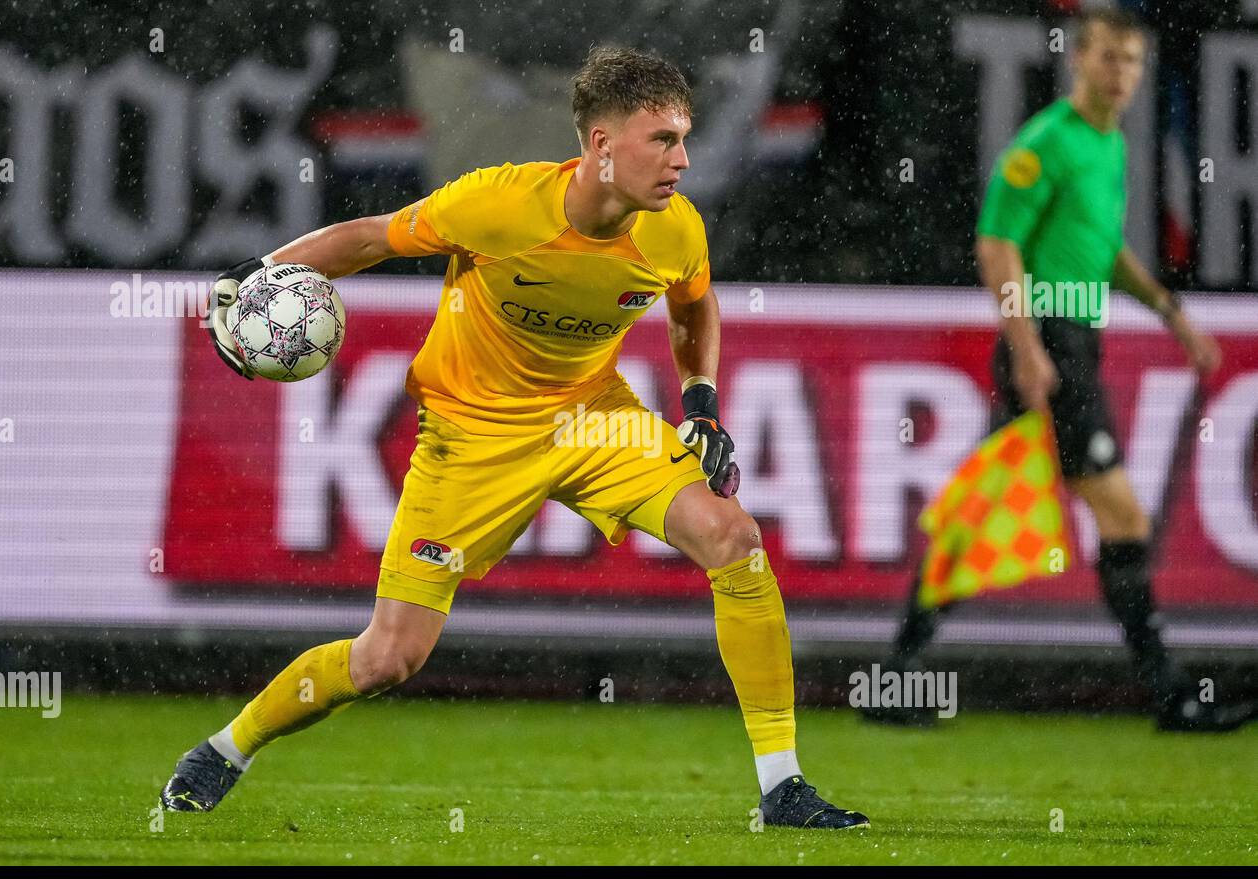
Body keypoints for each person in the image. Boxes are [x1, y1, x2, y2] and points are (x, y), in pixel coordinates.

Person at [161, 46, 870, 828]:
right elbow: (367, 237)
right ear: (601, 144)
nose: (682, 159)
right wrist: (253, 277)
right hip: (471, 438)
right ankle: (226, 748)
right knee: (387, 659)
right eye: (661, 140)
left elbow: (694, 308)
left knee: (732, 537)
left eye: (683, 137)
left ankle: (782, 786)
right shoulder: (498, 205)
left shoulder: (675, 231)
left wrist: (699, 403)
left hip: (593, 418)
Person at [864, 9, 1255, 732]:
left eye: (1133, 62)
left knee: (985, 510)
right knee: (1122, 517)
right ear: (1080, 60)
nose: (1121, 74)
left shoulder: (1108, 147)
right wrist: (1027, 346)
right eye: (1109, 59)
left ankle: (893, 676)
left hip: (1067, 342)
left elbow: (1100, 251)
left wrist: (1171, 313)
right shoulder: (1044, 143)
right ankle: (1171, 696)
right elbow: (996, 247)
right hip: (1050, 345)